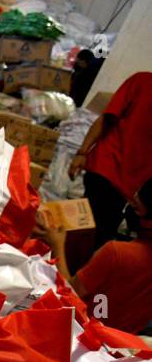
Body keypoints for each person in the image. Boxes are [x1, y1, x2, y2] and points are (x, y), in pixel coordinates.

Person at [44, 180, 152, 335]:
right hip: (118, 348)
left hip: (78, 333)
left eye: (135, 205)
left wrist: (56, 245)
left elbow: (68, 295)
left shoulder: (117, 253)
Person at [68, 71, 152, 249]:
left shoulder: (141, 80)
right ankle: (65, 269)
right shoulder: (142, 81)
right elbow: (107, 118)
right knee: (87, 231)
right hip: (108, 167)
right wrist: (82, 153)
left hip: (131, 185)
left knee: (97, 234)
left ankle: (71, 270)